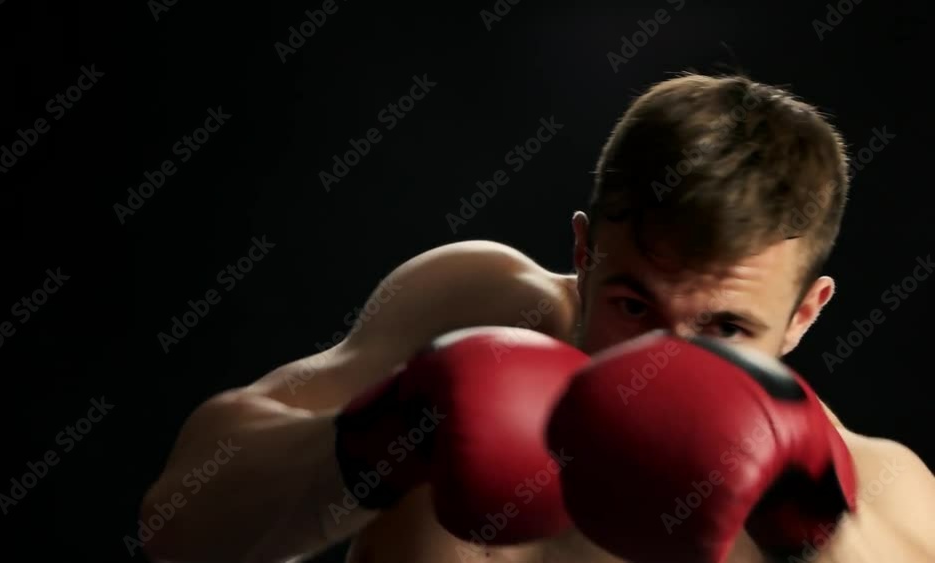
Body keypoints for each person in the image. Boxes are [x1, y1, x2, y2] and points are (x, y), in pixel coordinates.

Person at [139, 73, 935, 563]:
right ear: (583, 253)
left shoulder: (869, 486)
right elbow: (174, 525)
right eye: (633, 304)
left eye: (726, 329)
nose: (665, 365)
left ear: (803, 313)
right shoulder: (476, 307)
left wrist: (815, 532)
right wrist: (379, 440)